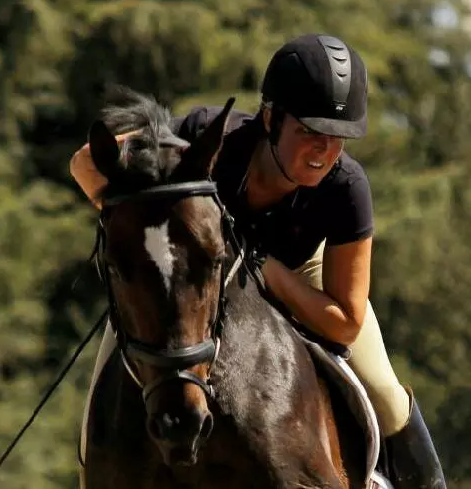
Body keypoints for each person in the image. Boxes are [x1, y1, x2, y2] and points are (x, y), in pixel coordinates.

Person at [70, 33, 446, 489]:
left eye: (337, 139)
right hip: (192, 280)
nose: (324, 152)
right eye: (308, 131)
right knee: (103, 414)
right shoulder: (206, 136)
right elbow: (87, 162)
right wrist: (130, 233)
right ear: (271, 118)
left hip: (302, 272)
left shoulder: (348, 188)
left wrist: (263, 266)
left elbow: (346, 320)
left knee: (386, 393)